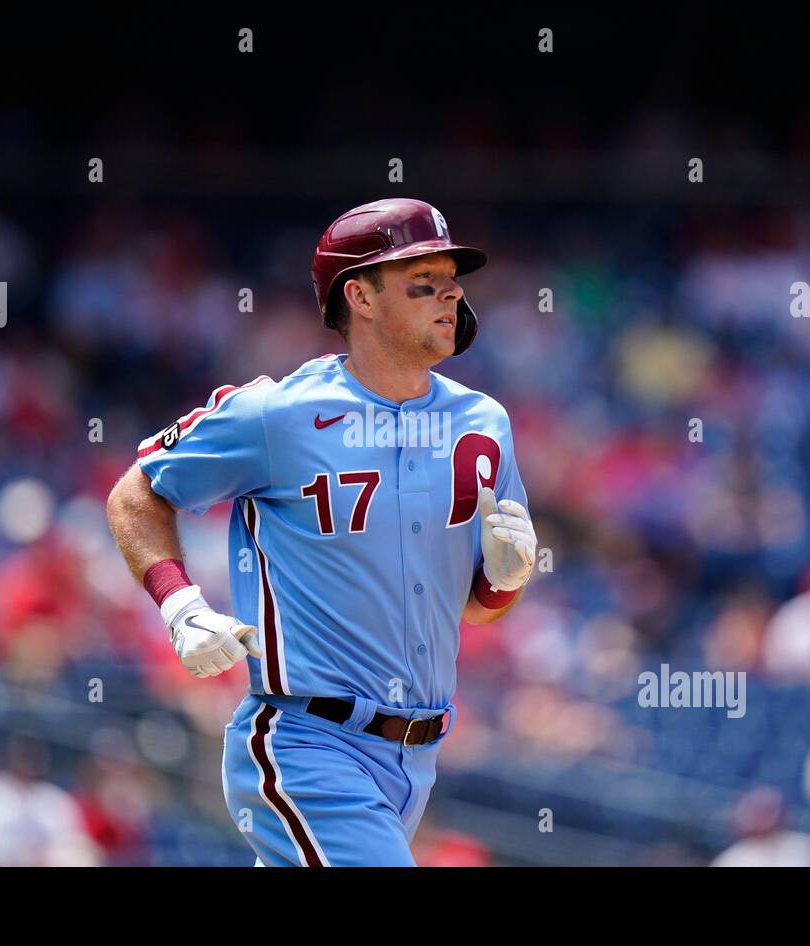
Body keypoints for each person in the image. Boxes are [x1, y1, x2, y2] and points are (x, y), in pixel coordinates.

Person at [106, 198, 537, 866]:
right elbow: (137, 492)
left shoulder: (484, 423)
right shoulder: (277, 414)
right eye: (421, 283)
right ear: (360, 297)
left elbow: (478, 610)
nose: (449, 295)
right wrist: (181, 605)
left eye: (452, 280)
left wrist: (505, 581)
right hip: (306, 741)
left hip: (416, 757)